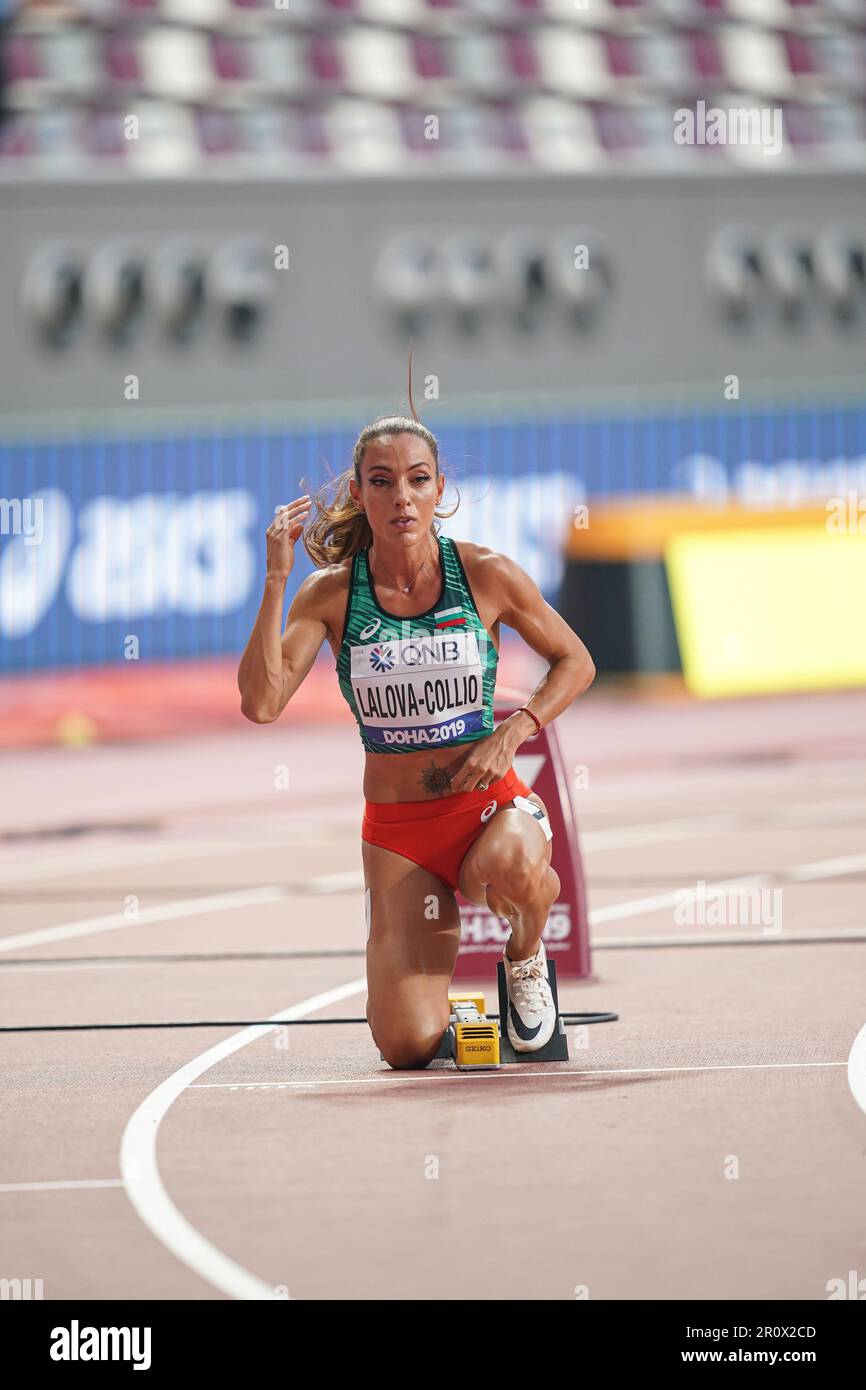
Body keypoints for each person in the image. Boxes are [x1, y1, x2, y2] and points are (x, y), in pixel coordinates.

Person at [237, 393, 595, 1069]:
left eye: (417, 479)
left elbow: (576, 660)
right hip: (400, 836)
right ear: (359, 493)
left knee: (516, 866)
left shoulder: (484, 574)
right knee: (405, 1045)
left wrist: (514, 731)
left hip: (487, 811)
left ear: (439, 489)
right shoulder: (332, 594)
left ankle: (524, 961)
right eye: (382, 481)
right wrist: (276, 579)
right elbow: (262, 703)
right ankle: (447, 1013)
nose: (401, 496)